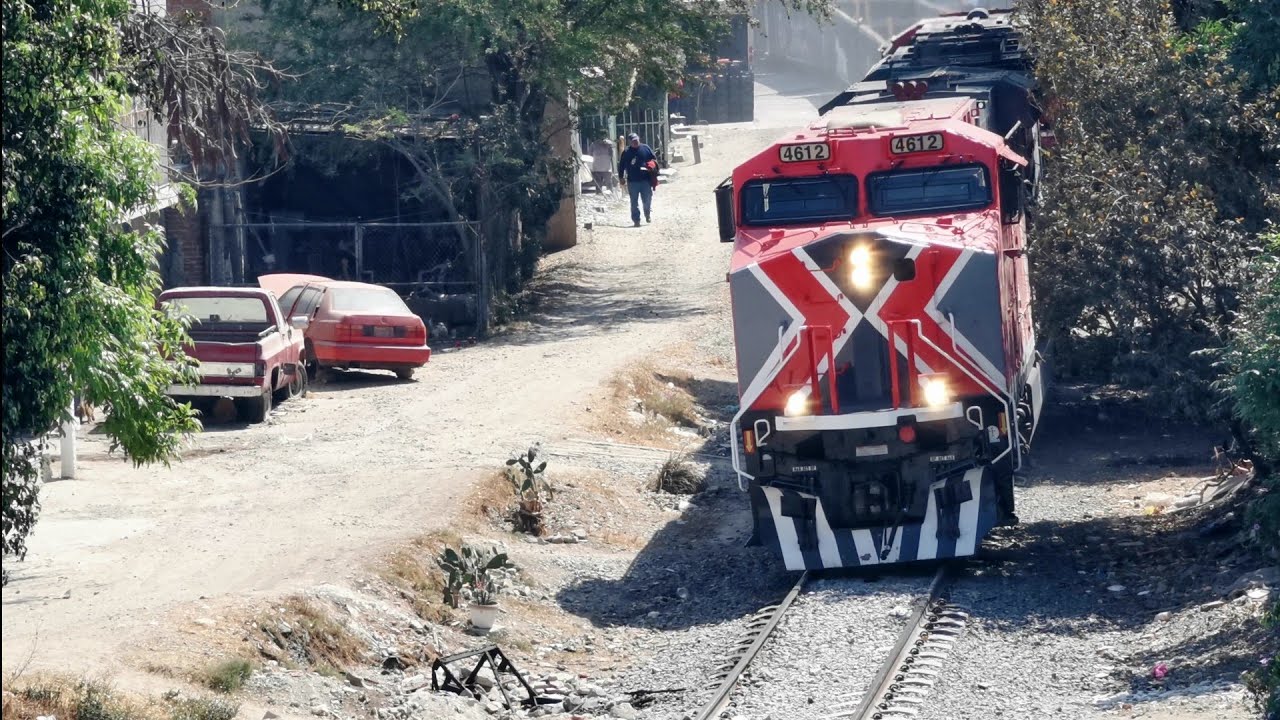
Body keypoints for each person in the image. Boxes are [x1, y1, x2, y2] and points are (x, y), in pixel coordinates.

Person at [618, 132, 657, 227]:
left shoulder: (645, 148)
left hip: (645, 180)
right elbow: (621, 166)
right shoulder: (626, 152)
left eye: (636, 140)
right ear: (630, 142)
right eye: (633, 141)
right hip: (632, 181)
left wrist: (652, 166)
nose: (635, 142)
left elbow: (654, 159)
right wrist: (621, 177)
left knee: (647, 199)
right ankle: (636, 220)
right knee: (634, 202)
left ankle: (647, 214)